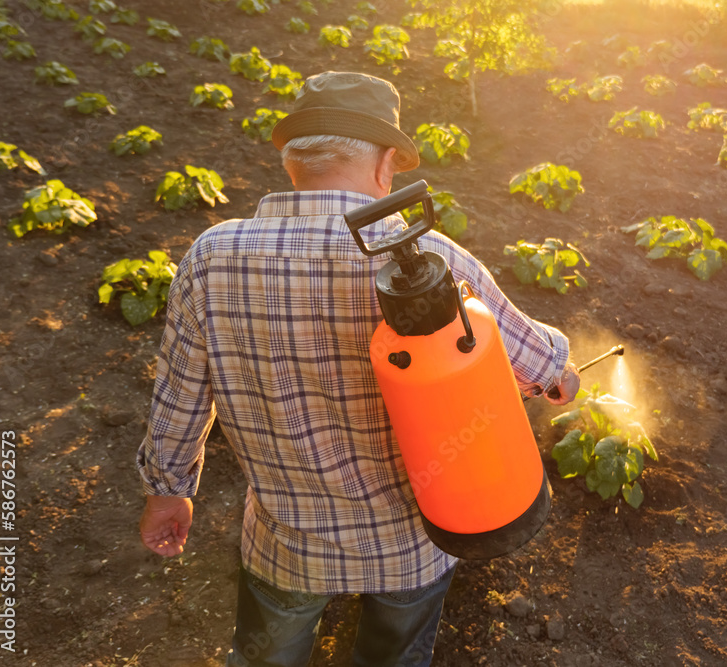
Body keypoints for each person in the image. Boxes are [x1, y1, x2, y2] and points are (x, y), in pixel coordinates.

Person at [136, 71, 579, 667]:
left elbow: (179, 396)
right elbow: (536, 368)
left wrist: (167, 493)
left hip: (287, 545)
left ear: (294, 162)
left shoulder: (211, 258)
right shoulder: (429, 260)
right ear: (387, 163)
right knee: (393, 657)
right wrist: (561, 374)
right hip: (414, 545)